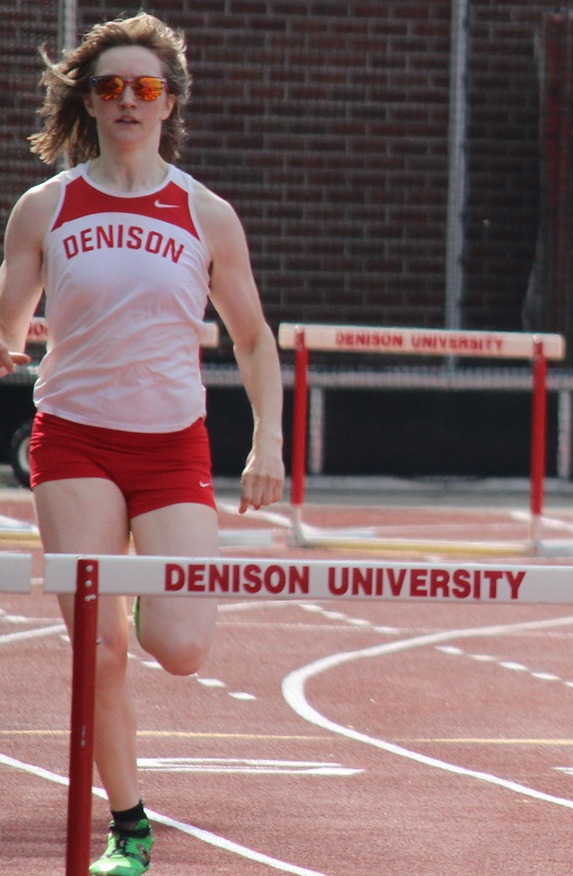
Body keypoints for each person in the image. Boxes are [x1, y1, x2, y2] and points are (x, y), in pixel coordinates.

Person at [0, 13, 286, 874]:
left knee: (183, 647)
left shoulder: (205, 213)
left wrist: (267, 440)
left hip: (171, 447)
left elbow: (253, 338)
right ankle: (128, 826)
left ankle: (136, 599)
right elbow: (9, 323)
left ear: (170, 103)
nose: (128, 101)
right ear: (88, 101)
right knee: (98, 653)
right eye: (111, 86)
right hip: (75, 442)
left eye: (145, 88)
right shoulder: (46, 206)